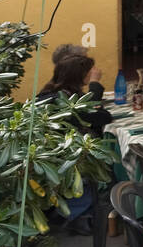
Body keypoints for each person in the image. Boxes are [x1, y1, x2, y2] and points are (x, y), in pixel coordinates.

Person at [37, 53, 114, 235]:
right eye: (90, 71)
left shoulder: (55, 92)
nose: (94, 72)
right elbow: (99, 116)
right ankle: (81, 216)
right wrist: (95, 84)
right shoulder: (61, 98)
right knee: (107, 155)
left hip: (59, 151)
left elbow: (92, 114)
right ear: (80, 74)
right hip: (68, 156)